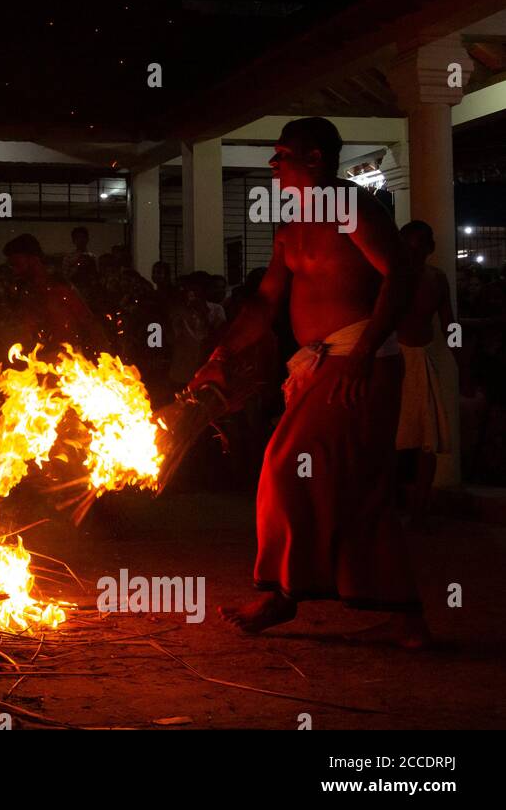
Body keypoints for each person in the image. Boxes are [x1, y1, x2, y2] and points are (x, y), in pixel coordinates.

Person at [187, 116, 428, 648]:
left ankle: (283, 594)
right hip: (322, 364)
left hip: (356, 360)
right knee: (352, 487)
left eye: (282, 154)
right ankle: (404, 615)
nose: (273, 164)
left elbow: (399, 274)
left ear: (314, 159)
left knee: (285, 466)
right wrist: (221, 354)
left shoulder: (352, 206)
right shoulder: (292, 223)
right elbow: (266, 301)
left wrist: (364, 354)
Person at [394, 220, 453, 530]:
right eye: (409, 245)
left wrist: (460, 361)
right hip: (394, 358)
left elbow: (449, 324)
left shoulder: (437, 279)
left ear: (429, 248)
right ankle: (386, 510)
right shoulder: (388, 275)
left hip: (422, 357)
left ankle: (419, 512)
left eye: (420, 245)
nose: (414, 251)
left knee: (426, 440)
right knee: (390, 437)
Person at [3, 233, 109, 355]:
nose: (15, 270)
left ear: (33, 258)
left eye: (17, 264)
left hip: (69, 360)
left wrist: (106, 355)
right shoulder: (24, 290)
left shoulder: (58, 285)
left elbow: (88, 320)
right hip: (37, 361)